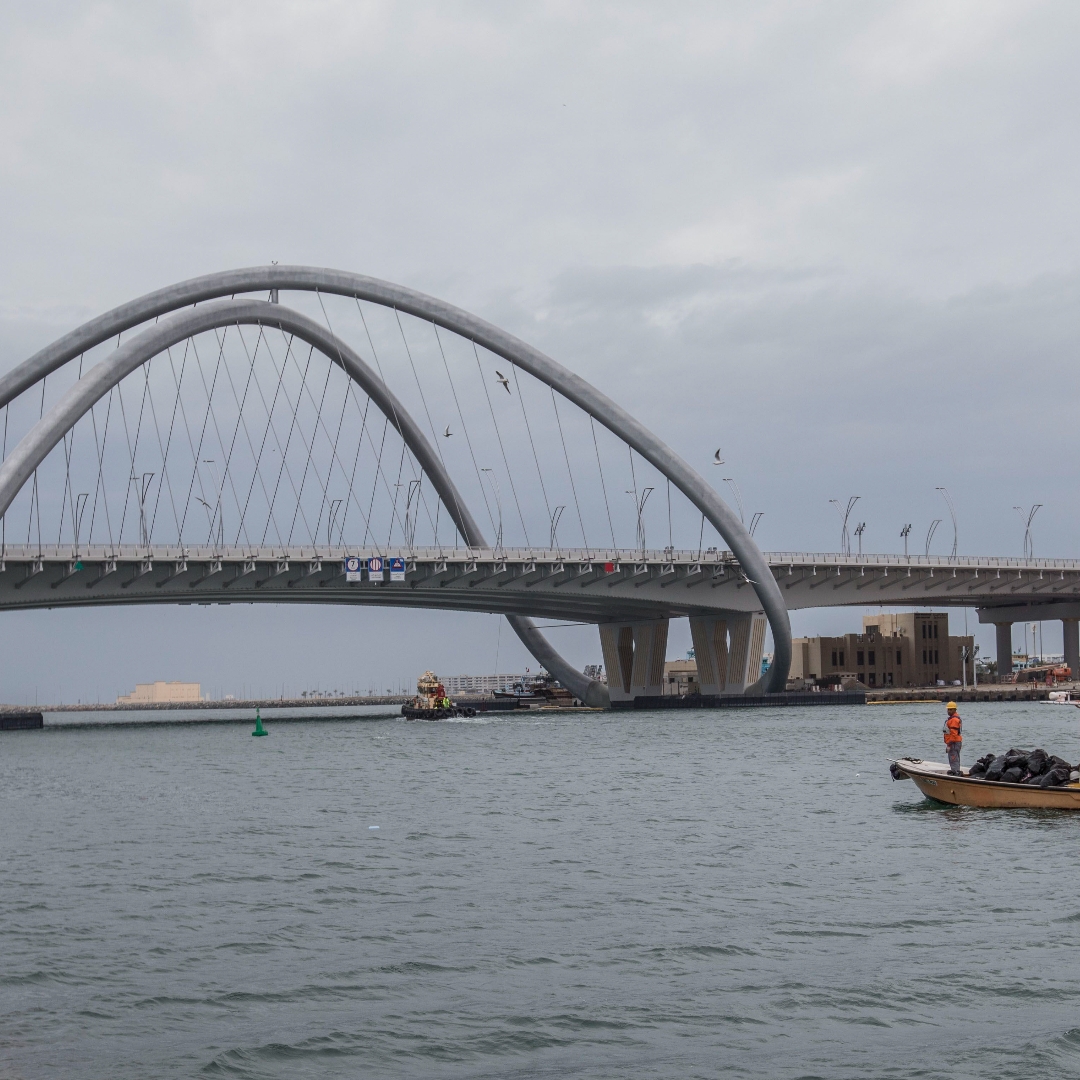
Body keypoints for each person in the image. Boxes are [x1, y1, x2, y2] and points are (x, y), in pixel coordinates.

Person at [943, 701, 963, 774]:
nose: (949, 711)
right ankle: (955, 771)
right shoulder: (954, 719)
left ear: (955, 710)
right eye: (948, 709)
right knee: (955, 758)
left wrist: (949, 745)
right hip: (956, 742)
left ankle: (956, 773)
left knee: (953, 758)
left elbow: (953, 735)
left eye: (951, 709)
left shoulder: (954, 720)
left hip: (953, 743)